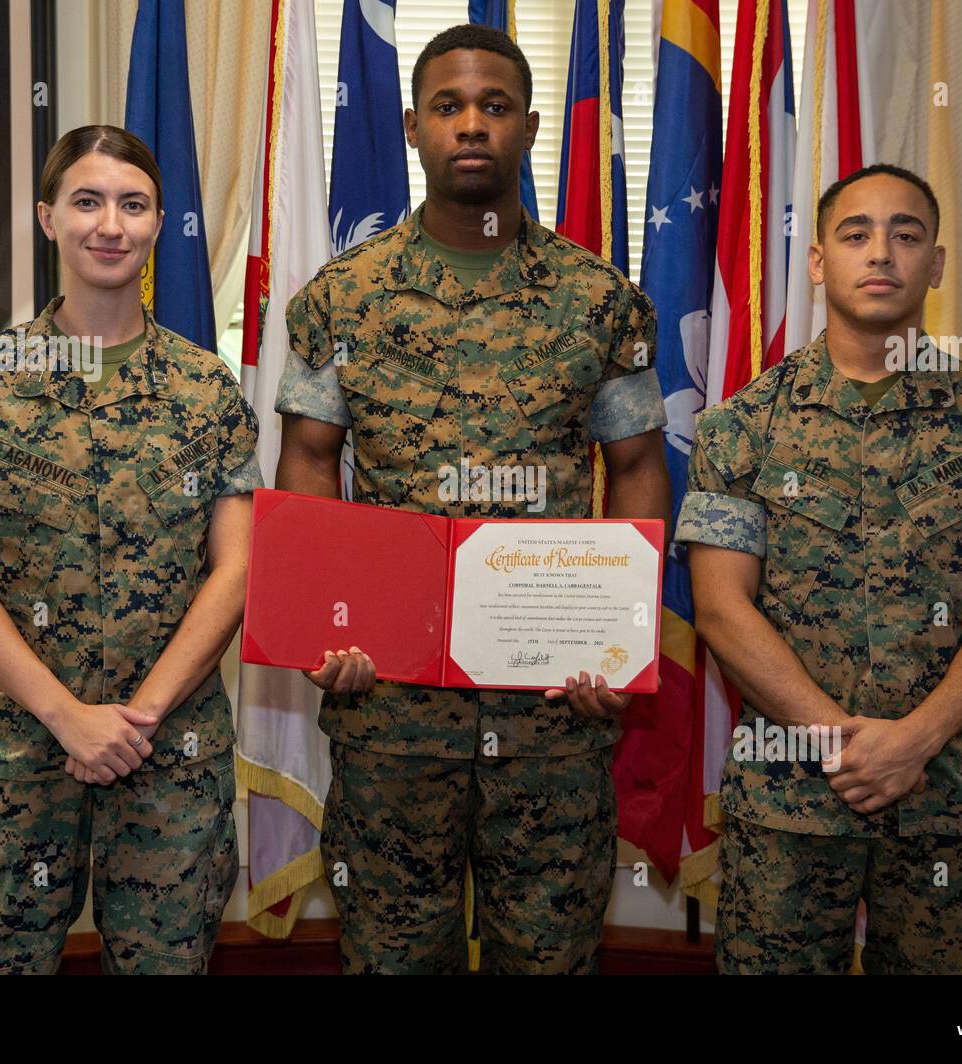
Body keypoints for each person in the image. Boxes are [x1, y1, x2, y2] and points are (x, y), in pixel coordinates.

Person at [275, 25, 671, 974]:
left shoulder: (599, 300)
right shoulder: (344, 298)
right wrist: (324, 631)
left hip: (553, 713)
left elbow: (642, 469)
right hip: (390, 713)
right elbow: (308, 461)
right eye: (448, 107)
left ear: (529, 126)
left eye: (494, 107)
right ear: (412, 127)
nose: (471, 125)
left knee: (550, 959)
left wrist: (620, 645)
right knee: (393, 961)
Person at [676, 163, 962, 974]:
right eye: (856, 234)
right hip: (788, 803)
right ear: (818, 261)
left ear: (937, 263)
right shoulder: (740, 431)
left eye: (907, 233)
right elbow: (721, 611)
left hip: (943, 800)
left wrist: (912, 743)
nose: (881, 252)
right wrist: (838, 742)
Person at [0, 125, 262, 974]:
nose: (110, 223)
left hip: (167, 748)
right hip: (16, 750)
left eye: (132, 204)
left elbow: (239, 568)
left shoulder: (206, 388)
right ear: (48, 218)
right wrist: (69, 718)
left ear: (156, 224)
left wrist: (135, 718)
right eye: (87, 201)